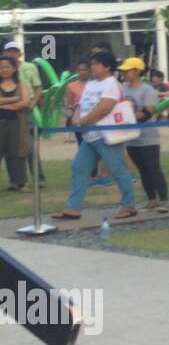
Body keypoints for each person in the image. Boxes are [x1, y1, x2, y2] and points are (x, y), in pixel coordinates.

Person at [52, 50, 138, 221]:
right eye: (91, 64)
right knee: (79, 168)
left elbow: (105, 107)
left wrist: (84, 122)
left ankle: (129, 205)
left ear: (107, 66)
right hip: (90, 136)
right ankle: (73, 208)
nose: (92, 67)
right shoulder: (91, 84)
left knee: (117, 170)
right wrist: (77, 119)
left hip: (105, 135)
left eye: (95, 64)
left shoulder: (112, 84)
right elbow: (82, 105)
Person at [120, 57, 168, 212]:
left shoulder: (148, 90)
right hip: (131, 138)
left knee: (153, 167)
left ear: (137, 71)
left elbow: (148, 112)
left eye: (128, 70)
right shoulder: (122, 89)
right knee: (142, 170)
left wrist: (128, 117)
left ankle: (164, 200)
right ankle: (152, 199)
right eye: (124, 70)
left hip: (148, 137)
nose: (125, 73)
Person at [4, 41, 45, 187]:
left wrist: (32, 104)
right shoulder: (3, 69)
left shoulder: (30, 67)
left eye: (14, 51)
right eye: (9, 51)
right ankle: (15, 181)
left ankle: (39, 178)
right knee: (9, 149)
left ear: (19, 54)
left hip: (26, 111)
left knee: (29, 147)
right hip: (6, 114)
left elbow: (38, 87)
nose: (12, 54)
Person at [0, 54, 32, 192]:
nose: (4, 69)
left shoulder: (22, 85)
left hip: (17, 124)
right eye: (1, 67)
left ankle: (21, 183)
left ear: (14, 68)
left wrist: (3, 104)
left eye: (7, 66)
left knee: (18, 153)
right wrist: (14, 99)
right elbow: (19, 100)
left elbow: (25, 103)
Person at [64, 59, 89, 144]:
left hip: (93, 118)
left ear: (89, 70)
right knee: (81, 143)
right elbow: (70, 105)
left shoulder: (95, 84)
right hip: (78, 120)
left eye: (84, 70)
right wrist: (70, 119)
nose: (82, 72)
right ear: (76, 71)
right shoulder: (71, 86)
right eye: (80, 70)